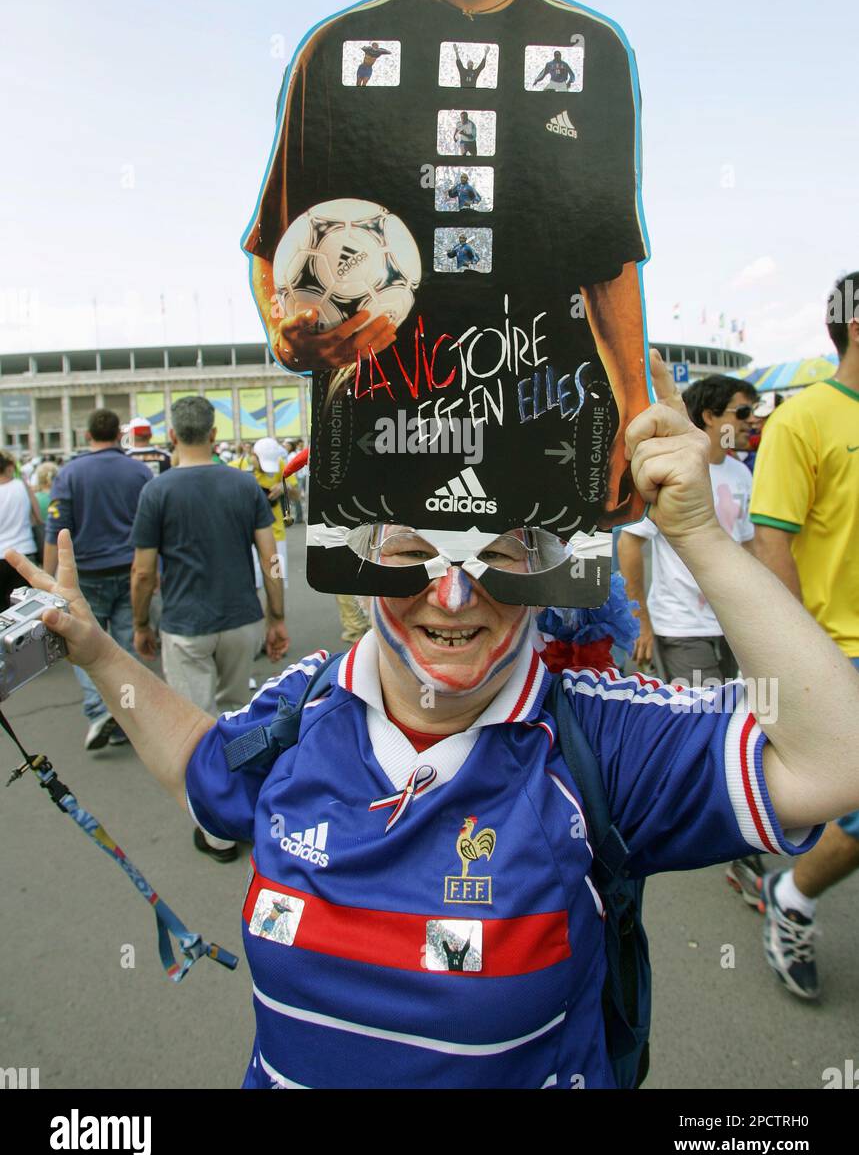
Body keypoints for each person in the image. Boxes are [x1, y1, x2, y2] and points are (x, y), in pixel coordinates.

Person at [8, 352, 859, 1088]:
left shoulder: (599, 739)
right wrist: (96, 650)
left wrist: (700, 535)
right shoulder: (305, 704)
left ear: (544, 569)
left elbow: (836, 761)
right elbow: (203, 761)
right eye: (415, 550)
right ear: (367, 562)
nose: (453, 595)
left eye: (497, 553)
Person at [243, 0, 651, 525]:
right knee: (400, 628)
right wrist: (286, 331)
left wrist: (633, 412)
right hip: (381, 427)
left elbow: (609, 256)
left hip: (542, 416)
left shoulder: (589, 53)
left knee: (536, 634)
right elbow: (277, 239)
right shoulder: (342, 51)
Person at [727, 271, 859, 1000]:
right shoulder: (803, 420)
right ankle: (792, 898)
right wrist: (802, 660)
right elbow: (770, 544)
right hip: (839, 649)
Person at [129, 397, 289, 864]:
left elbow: (142, 573)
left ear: (173, 437)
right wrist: (277, 615)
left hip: (186, 625)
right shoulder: (243, 484)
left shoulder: (157, 492)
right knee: (239, 719)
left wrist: (141, 623)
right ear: (214, 434)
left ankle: (216, 830)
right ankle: (244, 809)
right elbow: (270, 557)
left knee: (194, 729)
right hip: (242, 620)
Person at [618, 375, 759, 685]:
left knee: (732, 715)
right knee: (703, 718)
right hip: (682, 627)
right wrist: (642, 622)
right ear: (710, 416)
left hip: (733, 623)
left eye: (754, 411)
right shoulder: (669, 471)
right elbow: (630, 543)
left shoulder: (741, 473)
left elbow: (748, 545)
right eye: (743, 412)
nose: (753, 420)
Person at [43, 410, 152, 750]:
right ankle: (127, 713)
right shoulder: (139, 471)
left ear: (88, 436)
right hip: (129, 568)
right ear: (121, 436)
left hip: (85, 573)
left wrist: (46, 581)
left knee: (80, 646)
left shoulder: (69, 473)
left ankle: (98, 709)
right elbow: (151, 528)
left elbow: (55, 530)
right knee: (125, 646)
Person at [231, 436, 291, 600]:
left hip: (276, 534)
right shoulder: (235, 468)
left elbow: (296, 493)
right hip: (245, 536)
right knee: (251, 583)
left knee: (276, 581)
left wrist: (283, 487)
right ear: (252, 454)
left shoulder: (280, 464)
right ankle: (254, 619)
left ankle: (276, 618)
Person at [0, 452, 40, 610]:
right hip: (24, 553)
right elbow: (38, 516)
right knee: (24, 611)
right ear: (9, 468)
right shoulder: (22, 485)